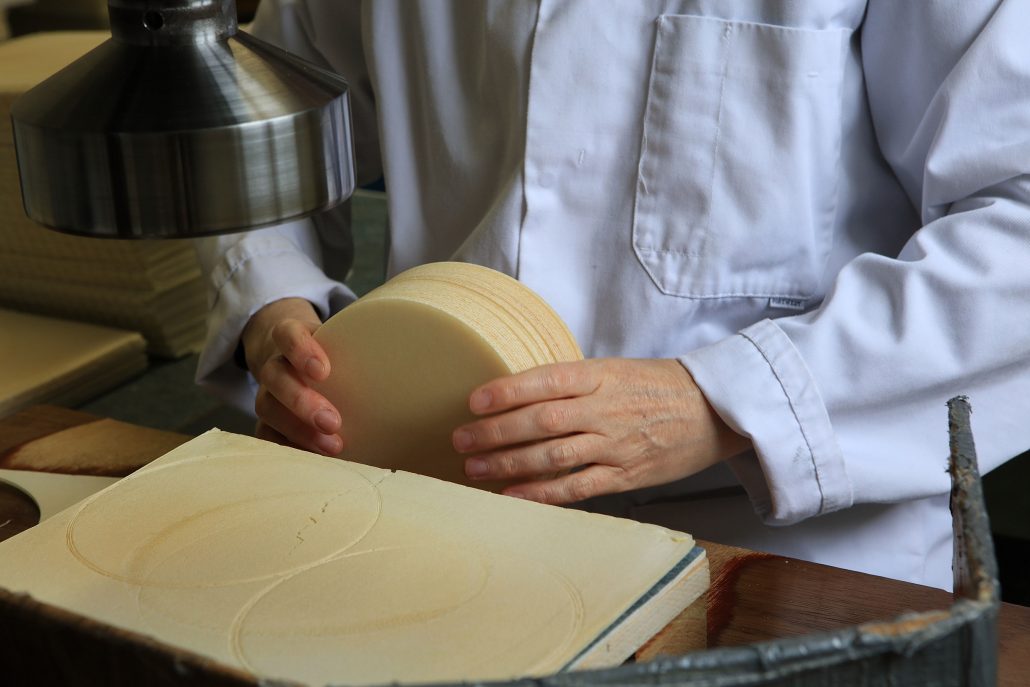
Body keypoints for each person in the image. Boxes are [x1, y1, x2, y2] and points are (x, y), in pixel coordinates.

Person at [195, 0, 1030, 590]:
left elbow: (1017, 230)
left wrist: (728, 403)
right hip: (438, 512)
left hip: (788, 557)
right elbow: (265, 123)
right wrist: (274, 300)